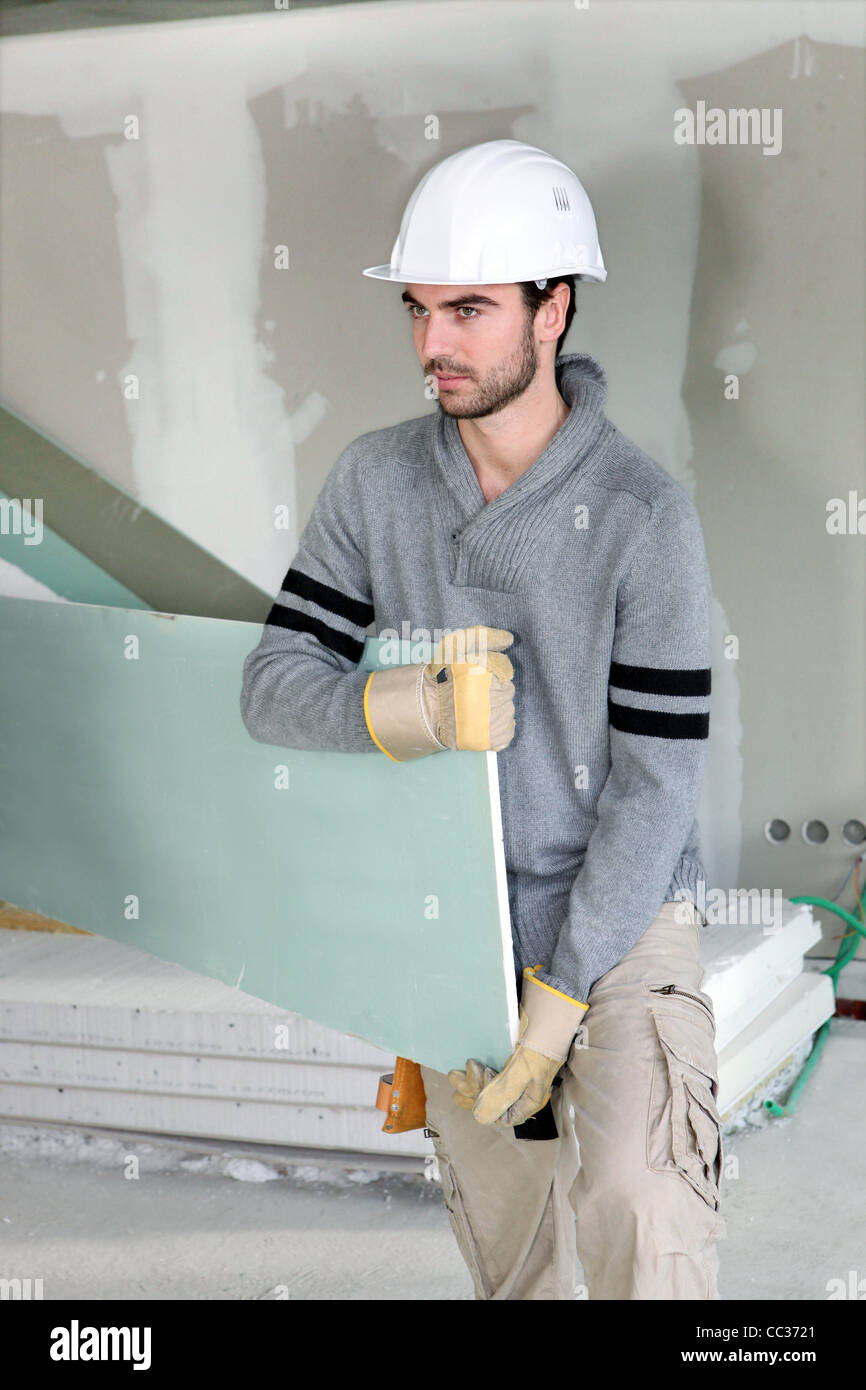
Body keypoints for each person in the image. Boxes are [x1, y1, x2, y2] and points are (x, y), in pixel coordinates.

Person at [240, 139, 726, 1300]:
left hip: (618, 916)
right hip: (454, 922)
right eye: (418, 309)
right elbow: (272, 682)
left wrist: (562, 993)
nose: (431, 346)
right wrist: (401, 706)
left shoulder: (641, 515)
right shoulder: (376, 482)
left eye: (467, 309)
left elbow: (655, 783)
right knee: (520, 1263)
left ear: (552, 308)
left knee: (637, 1208)